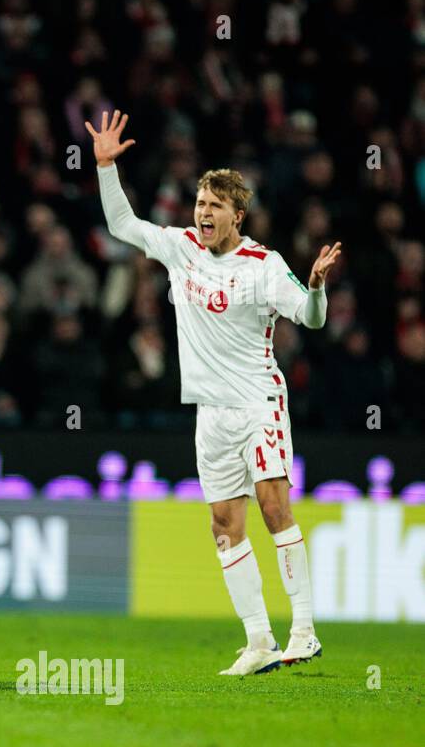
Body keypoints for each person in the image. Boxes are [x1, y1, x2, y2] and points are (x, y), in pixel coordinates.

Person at [87, 110, 342, 676]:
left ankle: (304, 631)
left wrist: (318, 287)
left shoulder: (265, 264)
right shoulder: (181, 249)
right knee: (224, 526)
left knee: (275, 508)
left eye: (213, 207)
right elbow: (122, 224)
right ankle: (259, 642)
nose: (202, 214)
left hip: (259, 404)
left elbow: (311, 318)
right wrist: (105, 166)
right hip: (210, 413)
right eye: (200, 204)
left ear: (237, 216)